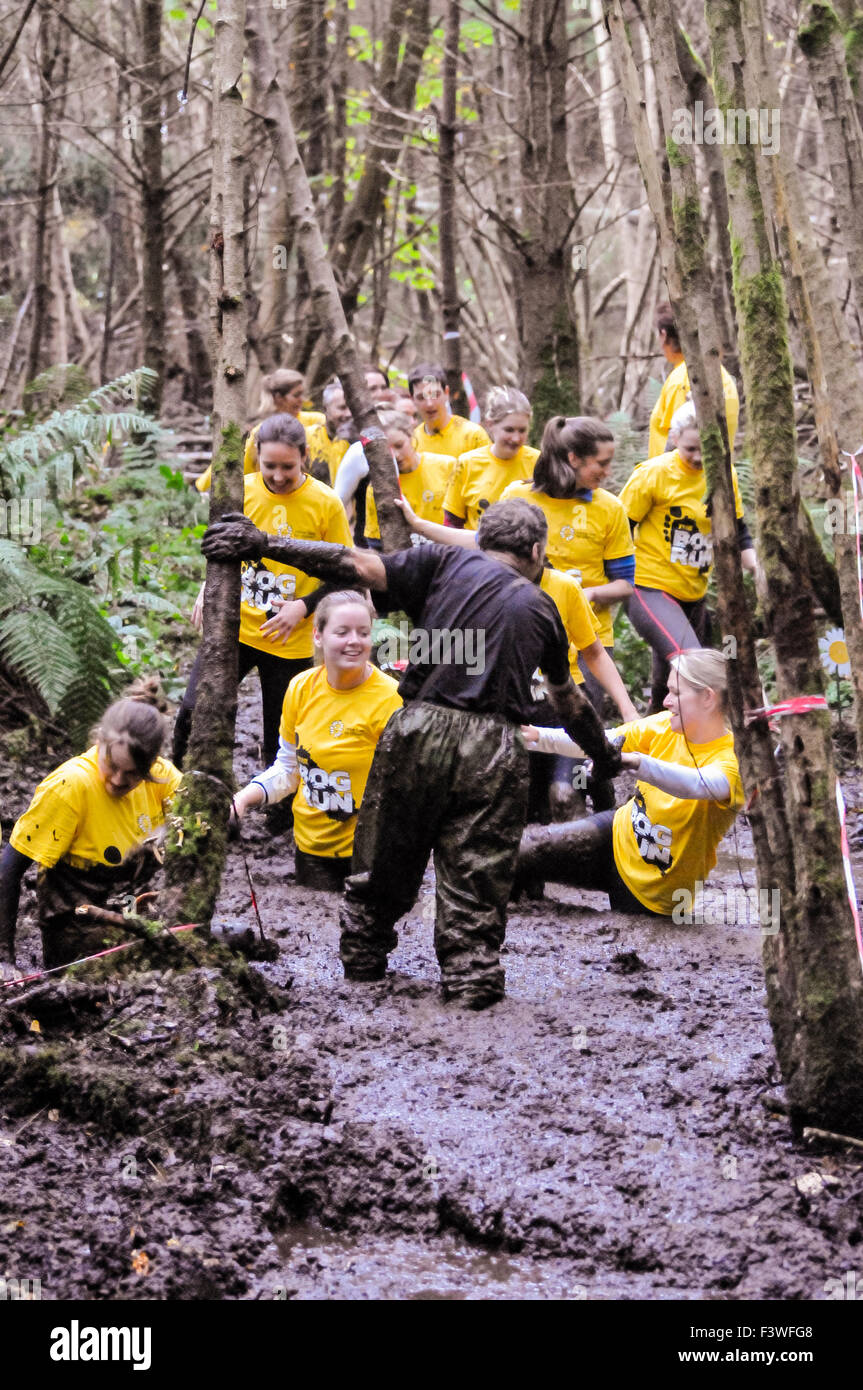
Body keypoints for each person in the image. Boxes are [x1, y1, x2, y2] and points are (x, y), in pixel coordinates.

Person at [201, 497, 623, 1008]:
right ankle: (471, 985)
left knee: (385, 854)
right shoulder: (543, 609)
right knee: (476, 872)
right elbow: (569, 700)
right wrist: (604, 755)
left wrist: (265, 544)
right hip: (493, 743)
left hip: (418, 725)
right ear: (536, 551)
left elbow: (351, 562)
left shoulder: (442, 562)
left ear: (482, 541)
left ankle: (361, 967)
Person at [174, 414, 353, 769]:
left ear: (304, 456)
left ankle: (278, 812)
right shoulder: (241, 490)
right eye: (269, 465)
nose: (278, 475)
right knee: (193, 711)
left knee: (282, 735)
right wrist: (207, 586)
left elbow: (345, 572)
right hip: (234, 628)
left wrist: (303, 607)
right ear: (256, 455)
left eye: (288, 466)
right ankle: (178, 786)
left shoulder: (325, 502)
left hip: (291, 639)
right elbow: (220, 549)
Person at [517, 649, 744, 917]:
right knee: (520, 851)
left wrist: (638, 762)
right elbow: (604, 738)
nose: (666, 700)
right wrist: (537, 736)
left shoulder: (734, 759)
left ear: (708, 697)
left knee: (621, 949)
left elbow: (699, 785)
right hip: (615, 834)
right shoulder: (663, 724)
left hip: (655, 887)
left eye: (676, 693)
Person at [0, 680, 181, 978]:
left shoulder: (160, 777)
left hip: (132, 915)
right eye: (111, 765)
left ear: (150, 766)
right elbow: (10, 867)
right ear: (99, 741)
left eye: (133, 773)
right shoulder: (70, 787)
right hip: (75, 930)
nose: (118, 781)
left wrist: (223, 812)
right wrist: (5, 959)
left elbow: (203, 816)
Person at [501, 416, 636, 808]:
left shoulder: (609, 508)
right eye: (602, 463)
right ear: (574, 458)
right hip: (524, 643)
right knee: (534, 749)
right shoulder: (517, 495)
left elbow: (626, 584)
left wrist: (582, 594)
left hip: (588, 642)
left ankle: (603, 812)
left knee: (581, 752)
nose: (609, 472)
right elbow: (488, 556)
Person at [232, 592, 402, 891]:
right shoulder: (301, 687)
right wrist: (243, 800)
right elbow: (288, 769)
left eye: (363, 632)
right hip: (312, 850)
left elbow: (408, 786)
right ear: (319, 636)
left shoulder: (390, 698)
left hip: (371, 856)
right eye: (342, 632)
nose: (355, 641)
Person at [619, 406, 757, 712]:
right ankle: (724, 735)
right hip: (648, 587)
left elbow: (738, 529)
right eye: (689, 449)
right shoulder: (654, 474)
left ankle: (652, 750)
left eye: (703, 449)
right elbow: (617, 529)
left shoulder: (722, 473)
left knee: (666, 681)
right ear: (674, 439)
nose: (697, 457)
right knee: (692, 663)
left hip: (693, 593)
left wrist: (756, 568)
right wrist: (610, 584)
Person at [194, 368, 324, 494]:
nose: (303, 399)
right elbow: (231, 460)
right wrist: (202, 487)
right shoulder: (261, 432)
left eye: (302, 394)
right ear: (279, 397)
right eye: (296, 395)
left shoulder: (315, 420)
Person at [648, 303, 739, 458]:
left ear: (664, 335)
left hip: (680, 480)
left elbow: (681, 443)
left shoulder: (682, 380)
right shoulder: (717, 372)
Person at [443, 387, 539, 530]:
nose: (516, 438)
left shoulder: (538, 462)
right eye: (509, 430)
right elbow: (452, 522)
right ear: (490, 424)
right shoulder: (467, 463)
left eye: (522, 430)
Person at [361, 412, 452, 546]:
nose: (396, 455)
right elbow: (376, 544)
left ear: (410, 436)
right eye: (387, 452)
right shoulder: (377, 488)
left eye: (399, 445)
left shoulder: (447, 467)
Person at [407, 362, 489, 461]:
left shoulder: (473, 435)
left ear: (446, 393)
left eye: (435, 395)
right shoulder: (412, 444)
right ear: (412, 400)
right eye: (421, 397)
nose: (429, 404)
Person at [305, 381, 356, 486]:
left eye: (353, 408)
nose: (349, 414)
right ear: (325, 409)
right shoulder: (307, 437)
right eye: (342, 408)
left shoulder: (362, 442)